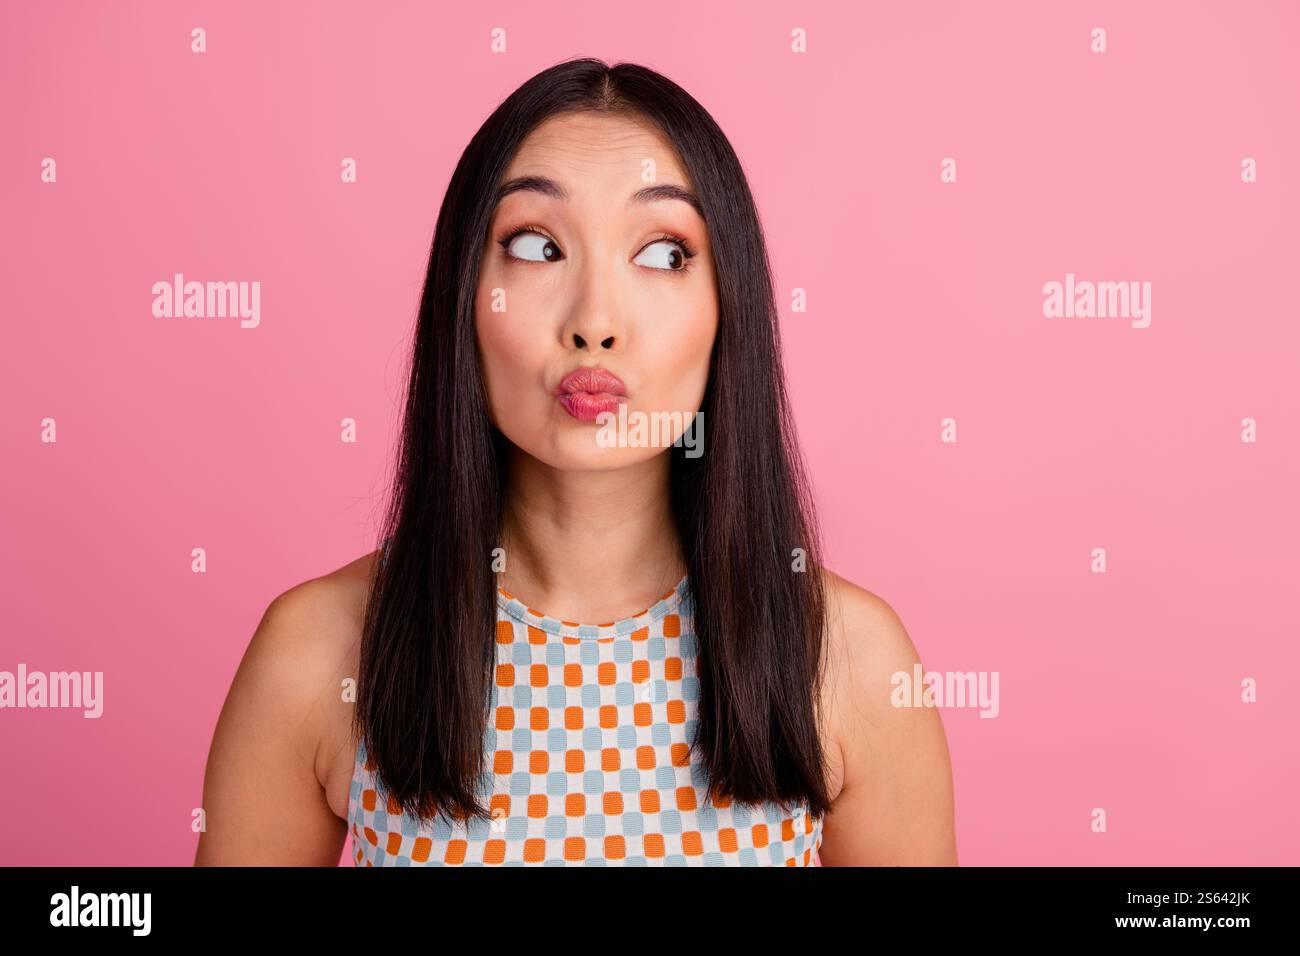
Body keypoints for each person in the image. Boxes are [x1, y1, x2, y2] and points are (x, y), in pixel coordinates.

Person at [195, 57, 956, 866]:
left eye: (664, 254)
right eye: (535, 246)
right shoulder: (318, 652)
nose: (595, 321)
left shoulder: (850, 661)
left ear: (728, 306)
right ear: (464, 293)